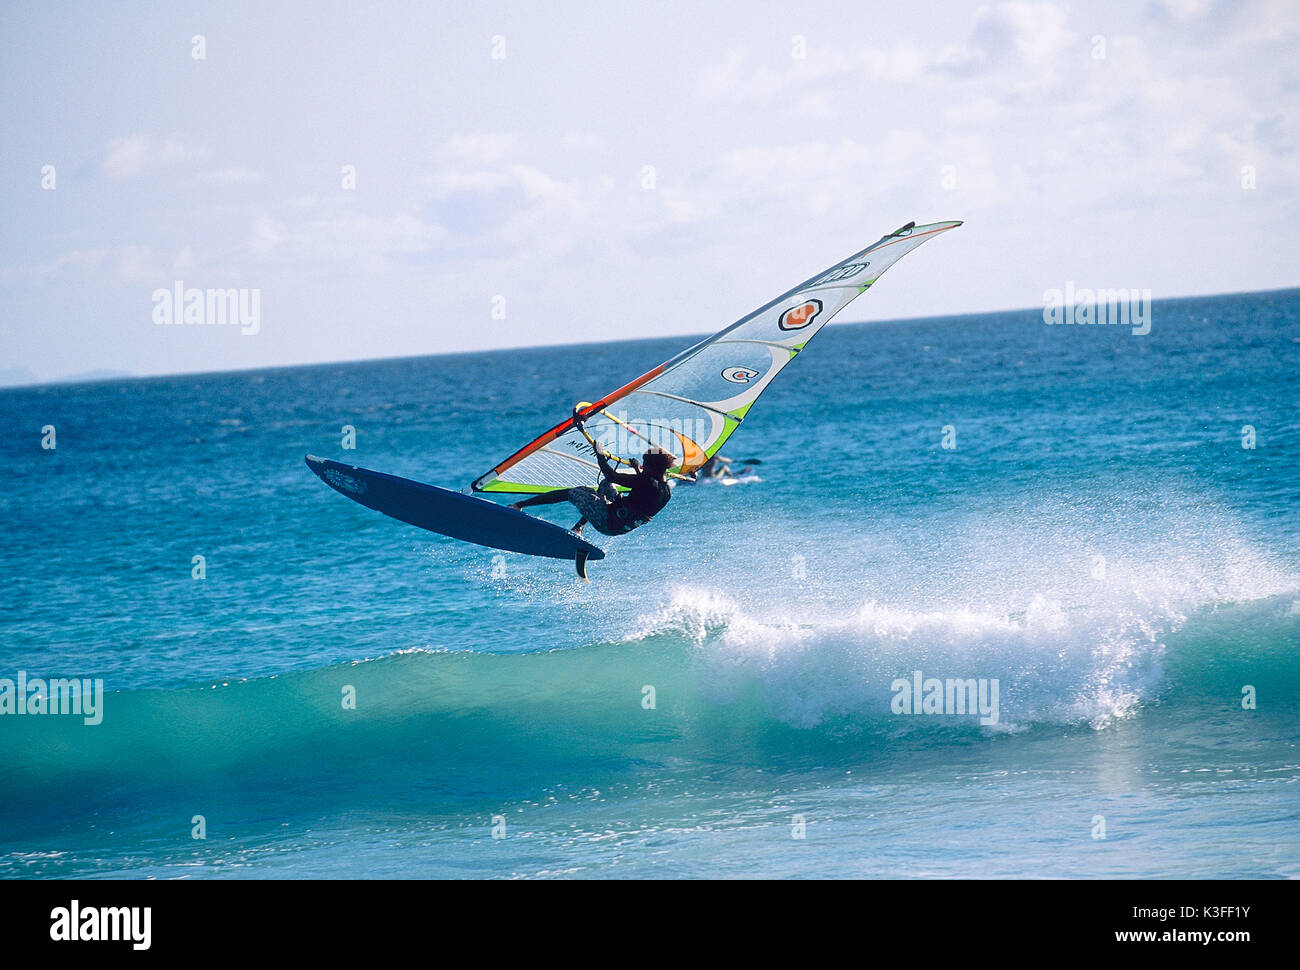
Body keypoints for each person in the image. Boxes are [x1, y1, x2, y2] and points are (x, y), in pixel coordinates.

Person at [510, 417, 674, 536]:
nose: (643, 467)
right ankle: (578, 528)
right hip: (620, 523)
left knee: (574, 492)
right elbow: (645, 492)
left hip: (608, 522)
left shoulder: (646, 481)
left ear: (651, 467)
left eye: (645, 465)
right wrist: (638, 470)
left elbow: (612, 474)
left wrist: (600, 455)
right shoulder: (665, 491)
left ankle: (520, 504)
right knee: (605, 485)